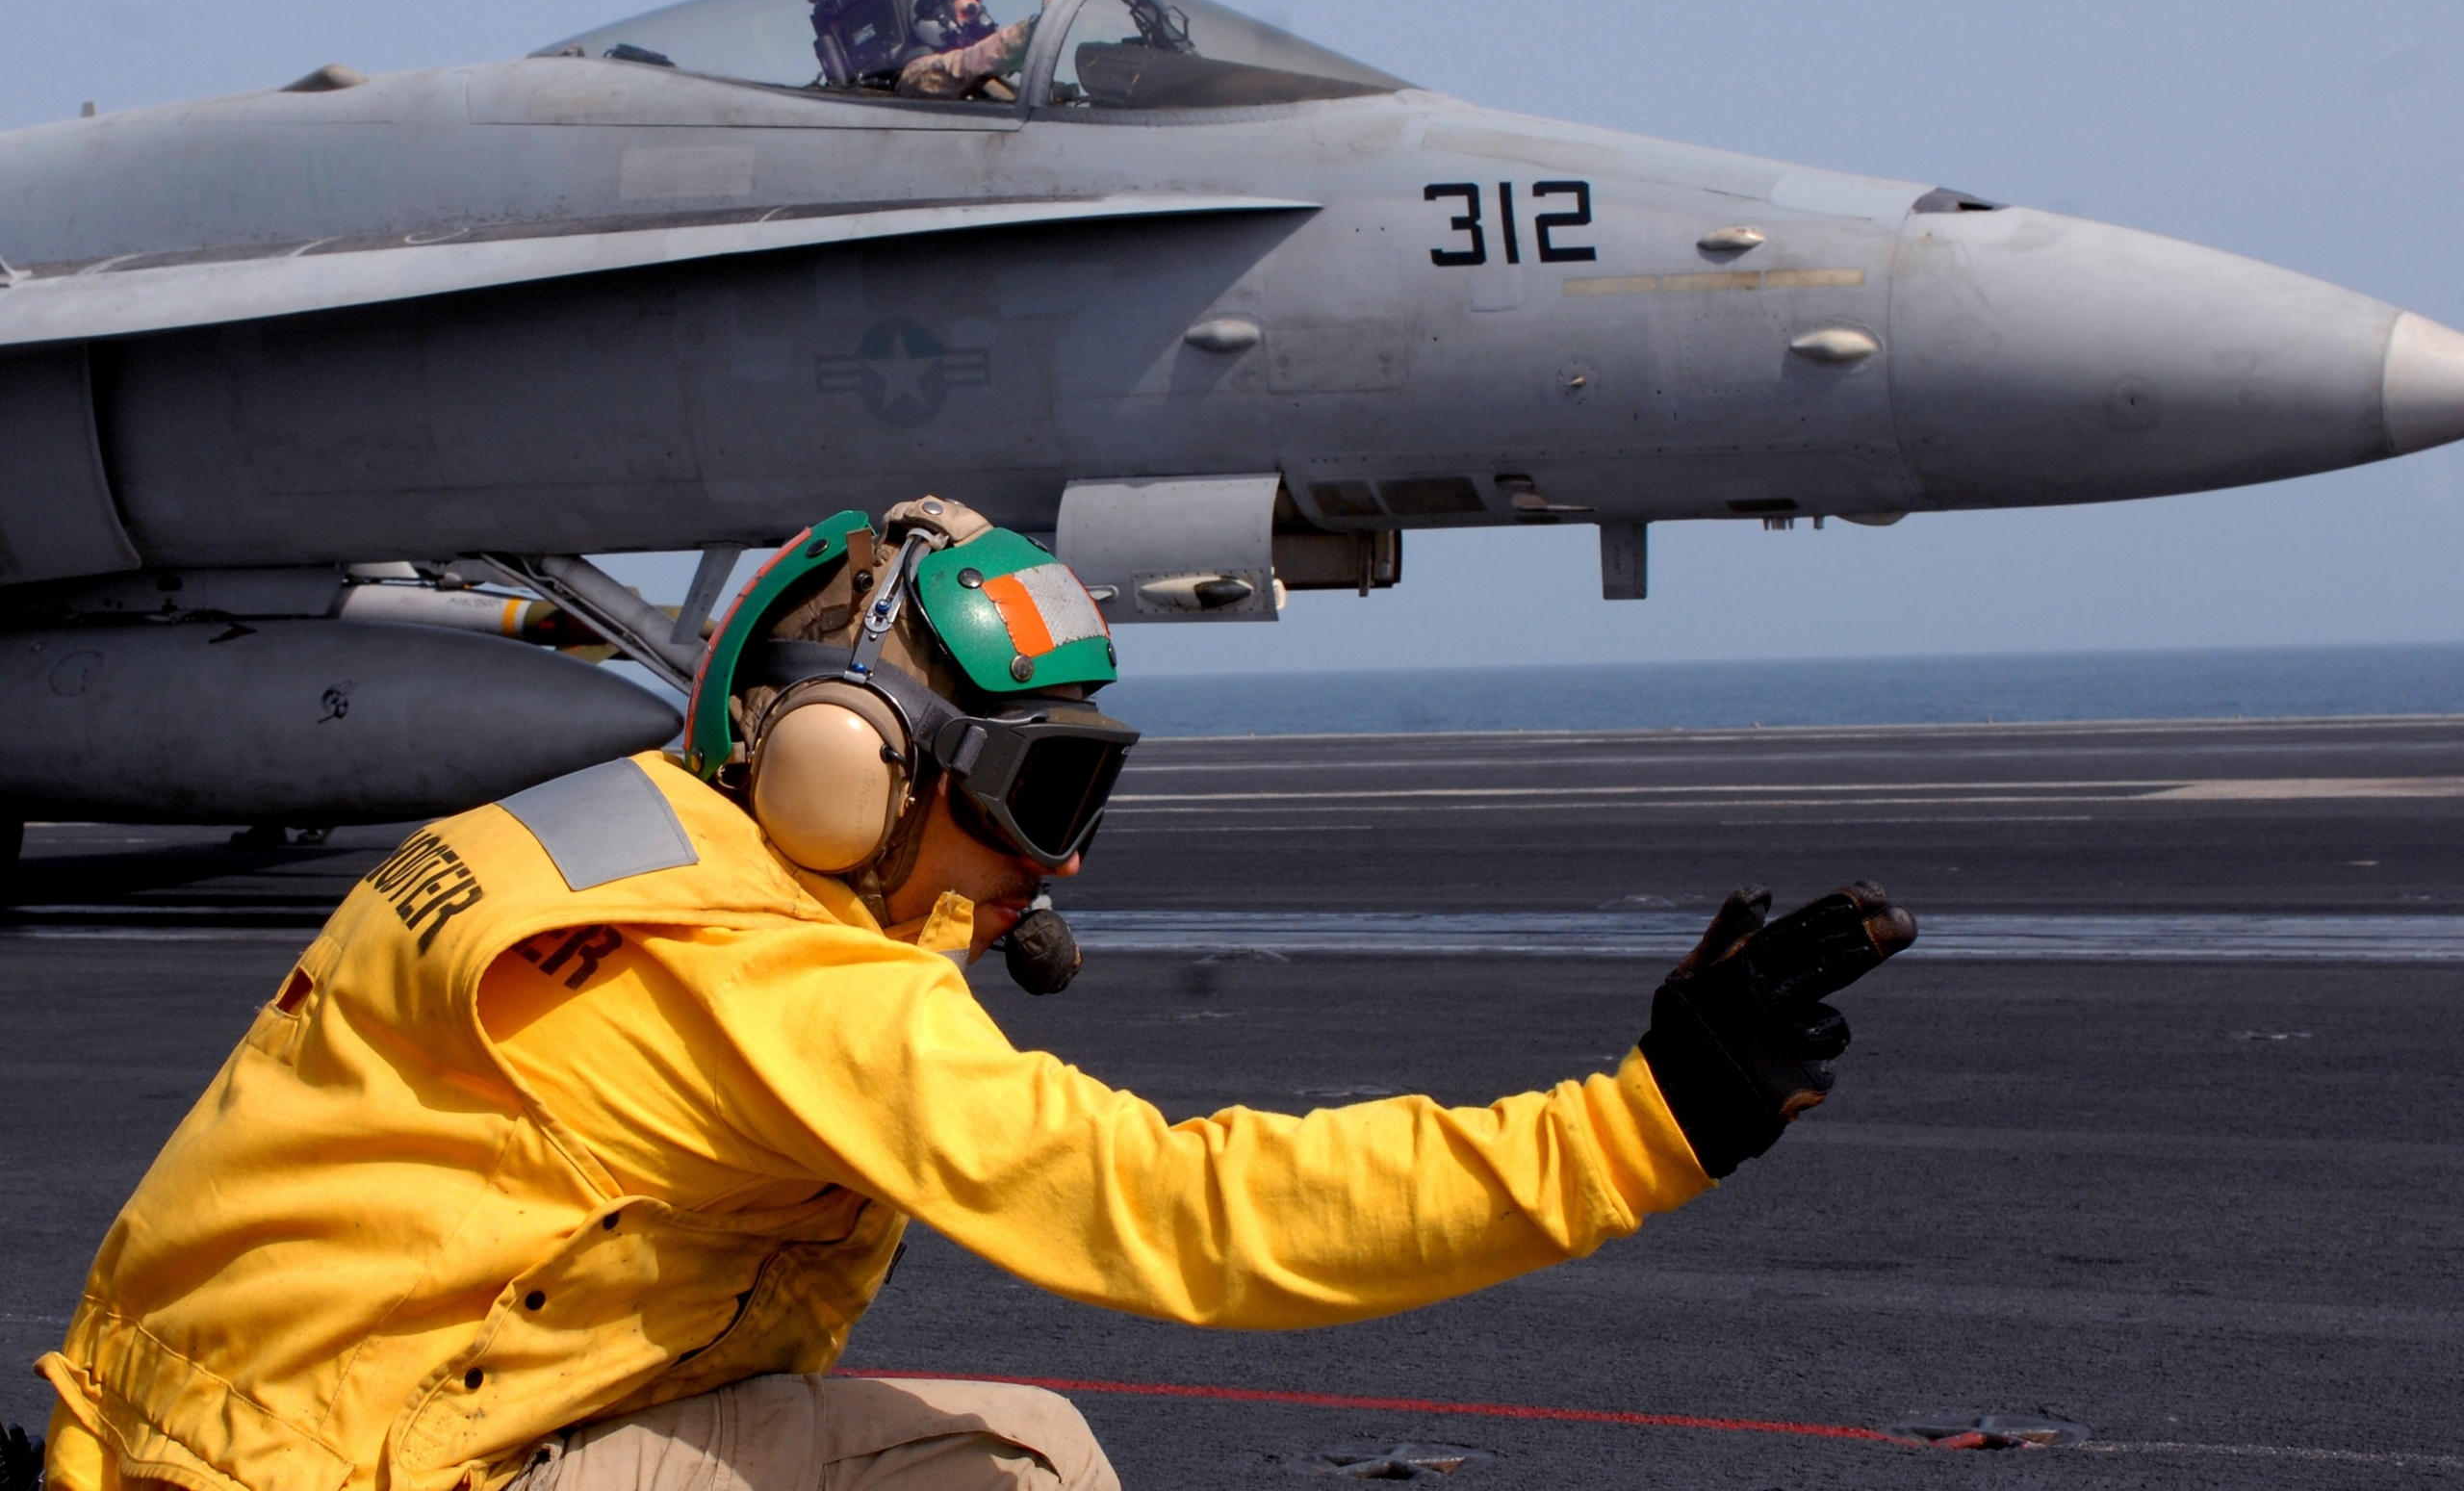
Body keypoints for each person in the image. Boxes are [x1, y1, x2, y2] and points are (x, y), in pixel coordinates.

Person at [35, 496, 1916, 1491]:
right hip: (365, 1469)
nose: (1064, 860)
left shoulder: (578, 837)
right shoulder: (776, 985)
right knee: (1010, 1466)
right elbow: (1185, 1219)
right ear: (852, 768)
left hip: (187, 1432)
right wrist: (1644, 1121)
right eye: (1034, 793)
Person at [895, 0, 1040, 101]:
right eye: (968, 12)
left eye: (979, 11)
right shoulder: (916, 73)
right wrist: (1030, 29)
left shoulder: (987, 73)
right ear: (937, 20)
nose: (981, 20)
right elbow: (965, 63)